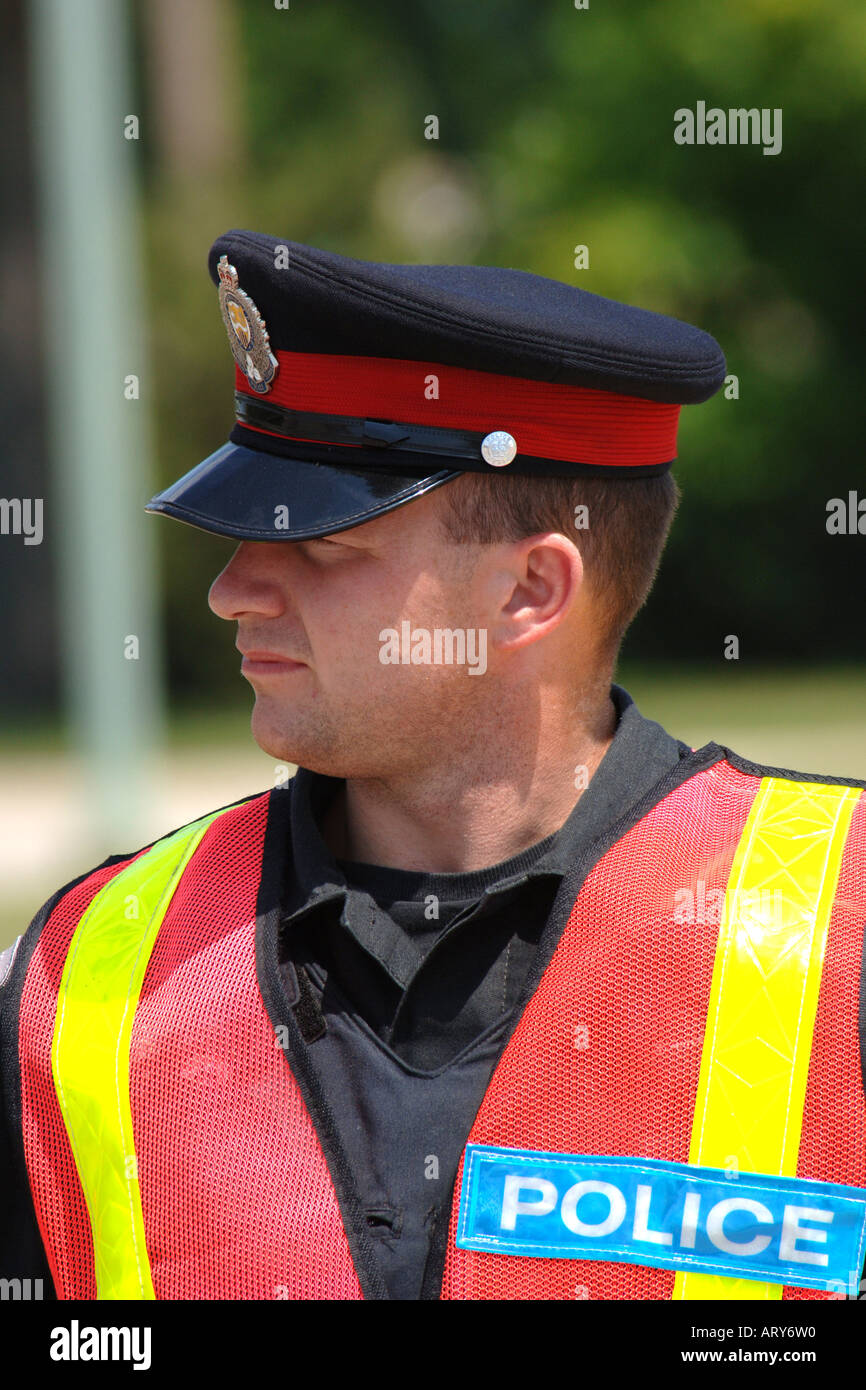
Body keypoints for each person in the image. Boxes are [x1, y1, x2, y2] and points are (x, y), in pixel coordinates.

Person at [1, 232, 864, 1303]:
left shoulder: (842, 931)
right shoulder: (82, 975)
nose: (232, 591)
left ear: (528, 593)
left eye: (319, 548)